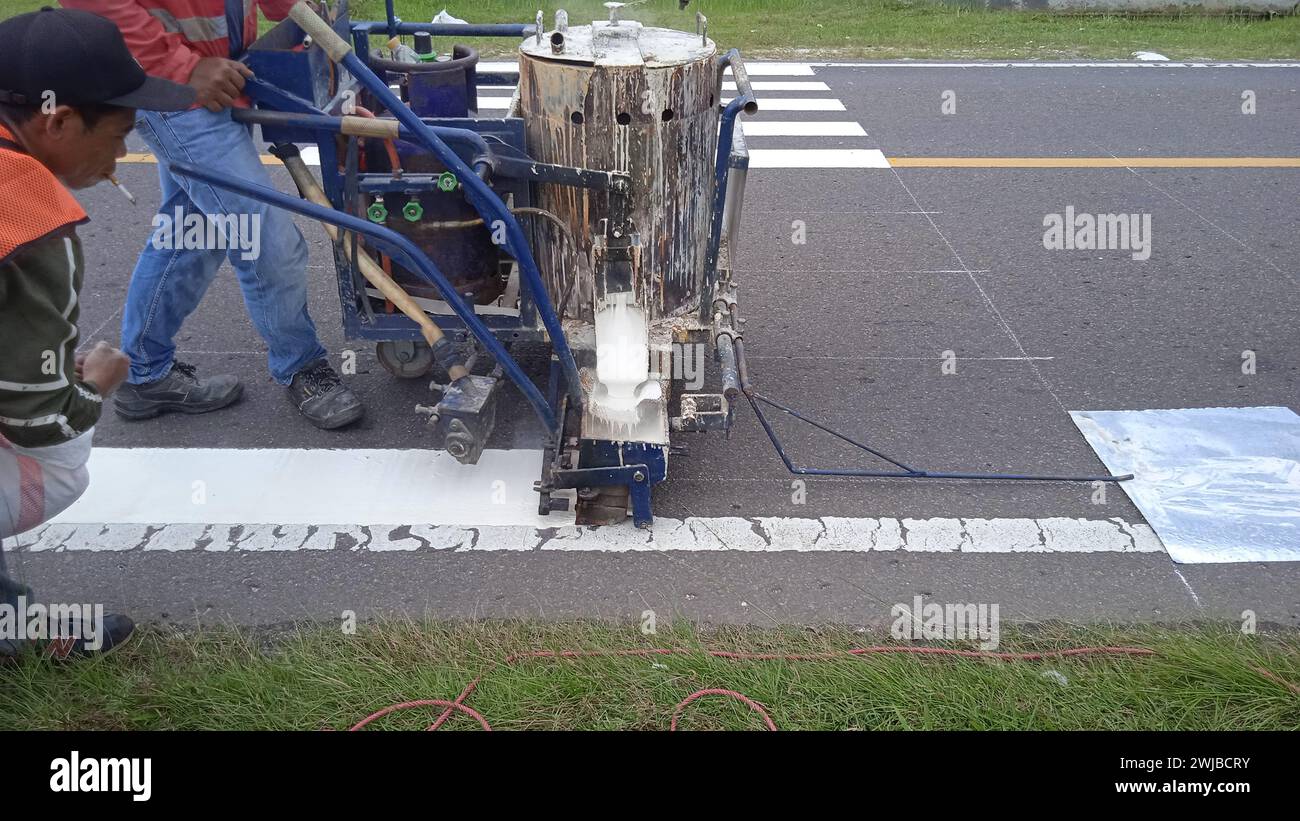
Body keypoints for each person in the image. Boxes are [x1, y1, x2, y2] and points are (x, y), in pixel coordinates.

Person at [61, 0, 365, 429]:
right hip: (177, 86)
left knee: (193, 232)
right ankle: (301, 366)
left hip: (218, 71)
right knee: (266, 239)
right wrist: (182, 66)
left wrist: (299, 11)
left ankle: (146, 372)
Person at [0, 7, 198, 658]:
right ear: (58, 121)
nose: (121, 158)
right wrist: (92, 387)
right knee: (64, 466)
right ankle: (15, 636)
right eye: (118, 135)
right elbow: (40, 423)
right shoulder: (27, 221)